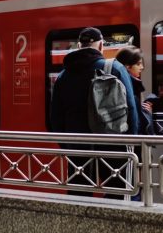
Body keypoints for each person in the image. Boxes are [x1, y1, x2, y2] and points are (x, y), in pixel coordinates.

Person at [50, 27, 139, 193]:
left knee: (80, 196)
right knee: (118, 196)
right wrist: (130, 143)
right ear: (101, 46)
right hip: (113, 146)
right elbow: (131, 110)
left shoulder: (63, 76)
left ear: (78, 45)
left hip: (77, 148)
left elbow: (55, 118)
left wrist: (68, 145)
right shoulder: (114, 68)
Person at [116, 47, 153, 135]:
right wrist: (147, 113)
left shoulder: (130, 85)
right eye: (138, 64)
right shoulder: (130, 88)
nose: (142, 67)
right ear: (127, 66)